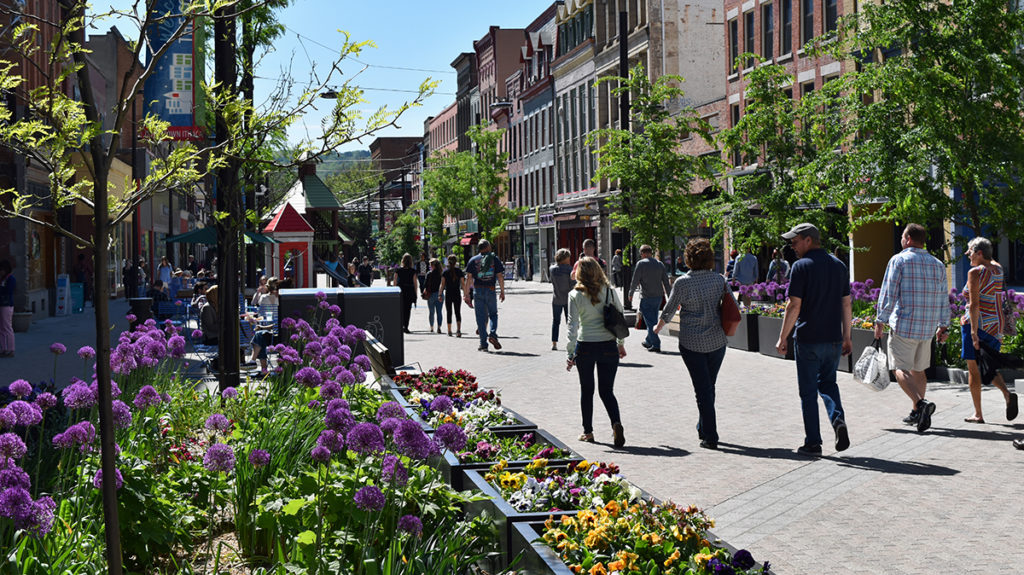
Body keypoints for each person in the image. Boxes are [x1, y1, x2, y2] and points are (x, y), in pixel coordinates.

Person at [777, 223, 852, 456]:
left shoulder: (801, 267)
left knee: (808, 392)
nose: (793, 246)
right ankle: (837, 420)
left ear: (808, 240)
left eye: (795, 241)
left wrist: (782, 337)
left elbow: (794, 305)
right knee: (829, 384)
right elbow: (846, 302)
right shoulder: (839, 265)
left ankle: (813, 442)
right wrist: (847, 336)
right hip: (833, 338)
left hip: (808, 338)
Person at [653, 238, 729, 449]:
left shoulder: (682, 282)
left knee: (703, 389)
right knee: (708, 386)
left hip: (691, 342)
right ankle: (703, 426)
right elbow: (731, 304)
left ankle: (710, 436)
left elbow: (669, 308)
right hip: (716, 340)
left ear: (688, 259)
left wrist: (658, 328)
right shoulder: (719, 280)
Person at [873, 223, 950, 433]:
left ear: (907, 238)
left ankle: (921, 403)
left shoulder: (899, 260)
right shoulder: (937, 264)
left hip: (905, 325)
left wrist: (880, 320)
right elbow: (944, 298)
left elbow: (889, 293)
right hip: (927, 327)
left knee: (899, 368)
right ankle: (917, 411)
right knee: (919, 370)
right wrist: (944, 326)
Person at [566, 256, 626, 447]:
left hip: (586, 346)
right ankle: (616, 423)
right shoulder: (609, 291)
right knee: (607, 391)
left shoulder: (574, 295)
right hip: (608, 344)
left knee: (587, 390)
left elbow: (572, 326)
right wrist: (620, 343)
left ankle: (588, 432)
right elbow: (620, 316)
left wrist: (570, 353)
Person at [960, 236, 1018, 424]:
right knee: (988, 364)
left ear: (979, 253)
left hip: (977, 325)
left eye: (970, 252)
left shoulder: (975, 272)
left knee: (973, 370)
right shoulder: (998, 269)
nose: (967, 255)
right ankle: (1007, 394)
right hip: (996, 325)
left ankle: (978, 413)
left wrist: (974, 333)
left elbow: (974, 305)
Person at [628, 245, 672, 353]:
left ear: (642, 253)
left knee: (650, 321)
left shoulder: (641, 264)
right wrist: (670, 295)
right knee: (652, 319)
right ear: (651, 253)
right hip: (658, 297)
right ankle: (648, 341)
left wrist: (631, 293)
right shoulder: (660, 264)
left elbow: (635, 280)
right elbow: (666, 282)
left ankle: (656, 344)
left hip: (646, 297)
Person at [464, 238, 506, 352]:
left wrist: (466, 294)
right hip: (490, 290)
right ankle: (492, 334)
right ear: (487, 247)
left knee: (480, 318)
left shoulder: (473, 260)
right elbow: (500, 276)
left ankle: (483, 344)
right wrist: (502, 291)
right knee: (493, 314)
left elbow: (468, 278)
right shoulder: (494, 259)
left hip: (478, 291)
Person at [550, 248, 574, 351]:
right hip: (568, 298)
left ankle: (554, 343)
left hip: (556, 298)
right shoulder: (569, 270)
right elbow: (573, 284)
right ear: (565, 258)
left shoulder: (552, 269)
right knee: (570, 322)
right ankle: (571, 341)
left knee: (555, 321)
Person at [394, 253, 419, 334]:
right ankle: (406, 326)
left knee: (400, 309)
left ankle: (401, 325)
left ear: (403, 261)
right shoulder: (413, 271)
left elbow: (394, 282)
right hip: (409, 291)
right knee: (407, 310)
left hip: (401, 291)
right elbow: (415, 283)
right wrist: (416, 294)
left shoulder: (398, 270)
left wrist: (394, 291)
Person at [423, 258, 444, 334]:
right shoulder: (441, 274)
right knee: (439, 312)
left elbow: (425, 284)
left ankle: (431, 327)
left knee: (431, 312)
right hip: (439, 294)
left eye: (430, 265)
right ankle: (439, 327)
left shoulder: (429, 274)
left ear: (433, 265)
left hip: (430, 294)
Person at [0, 260, 15, 358]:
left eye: (1, 269)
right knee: (1, 328)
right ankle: (3, 348)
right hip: (1, 304)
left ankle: (10, 349)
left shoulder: (10, 279)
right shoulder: (2, 279)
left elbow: (8, 291)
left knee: (7, 327)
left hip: (6, 305)